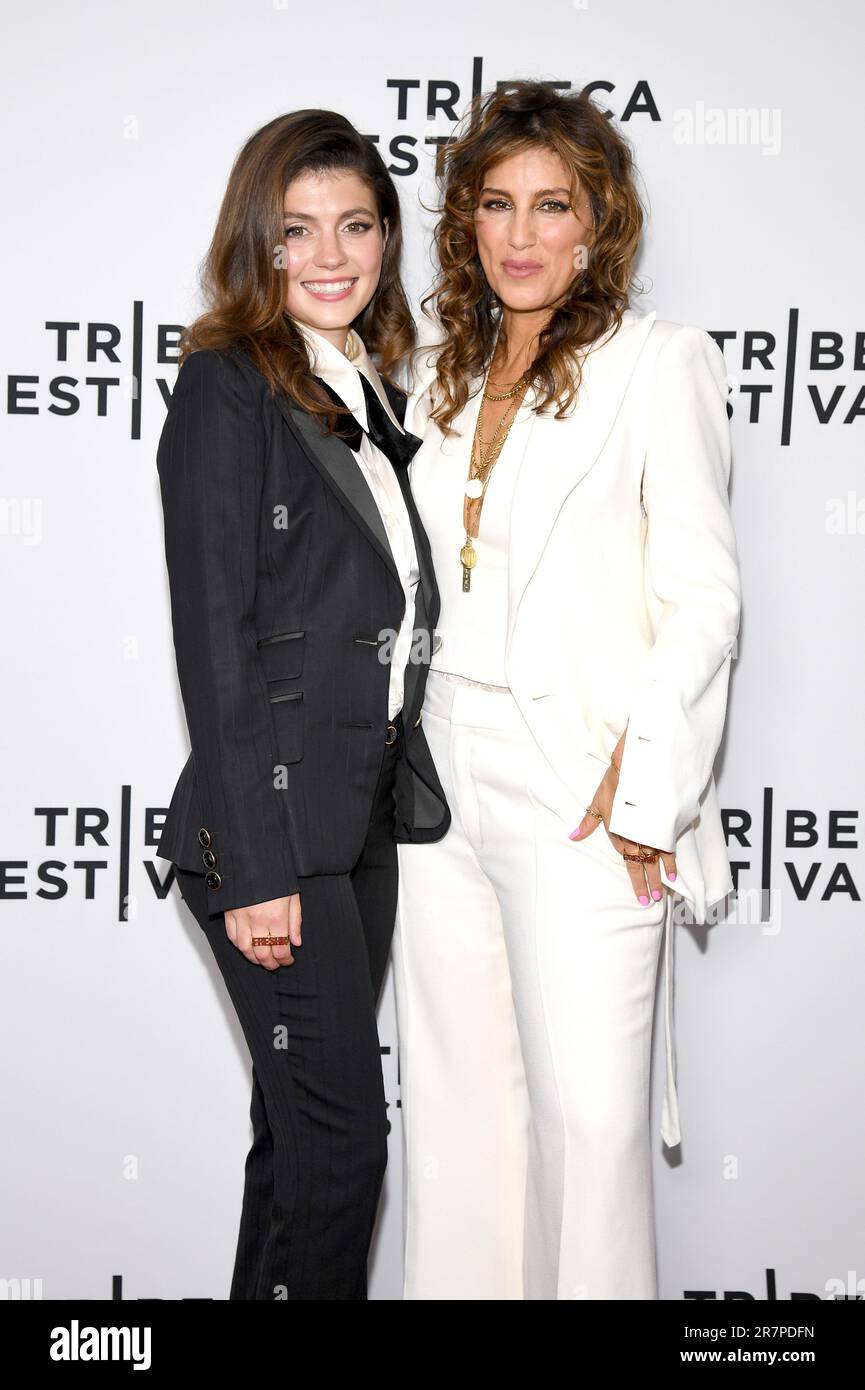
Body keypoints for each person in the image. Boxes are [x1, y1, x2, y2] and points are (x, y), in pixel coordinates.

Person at [392, 80, 742, 1300]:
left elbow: (704, 601)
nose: (523, 234)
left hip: (578, 797)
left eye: (553, 205)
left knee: (588, 1139)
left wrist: (647, 792)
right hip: (436, 790)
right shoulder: (439, 371)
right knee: (458, 1131)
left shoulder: (658, 364)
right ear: (467, 225)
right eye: (497, 205)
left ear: (596, 226)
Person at [154, 108, 449, 1300]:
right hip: (269, 838)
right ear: (254, 244)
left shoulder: (359, 394)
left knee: (299, 1147)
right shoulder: (227, 385)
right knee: (340, 1153)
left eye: (357, 225)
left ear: (385, 238)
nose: (330, 256)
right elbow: (212, 639)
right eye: (296, 232)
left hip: (355, 827)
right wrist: (266, 864)